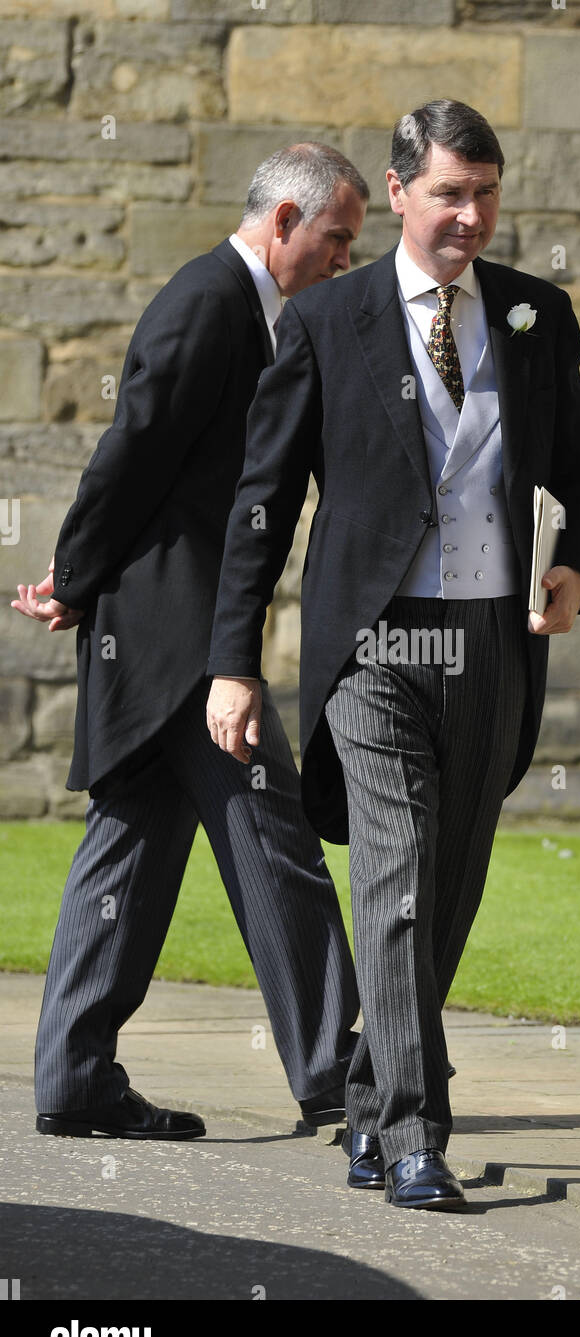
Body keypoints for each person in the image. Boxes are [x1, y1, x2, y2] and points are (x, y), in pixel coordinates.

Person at [206, 101, 580, 1207]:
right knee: (393, 881)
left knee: (452, 887)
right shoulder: (329, 321)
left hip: (492, 640)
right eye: (448, 192)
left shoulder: (535, 316)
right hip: (376, 643)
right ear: (397, 192)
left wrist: (577, 561)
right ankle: (418, 1131)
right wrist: (233, 659)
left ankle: (376, 1090)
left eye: (484, 192)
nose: (470, 215)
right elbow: (263, 500)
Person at [11, 144, 368, 1141]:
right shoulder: (209, 300)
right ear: (284, 223)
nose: (346, 258)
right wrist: (77, 577)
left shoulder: (249, 310)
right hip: (177, 641)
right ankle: (340, 1067)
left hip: (166, 633)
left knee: (130, 847)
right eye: (338, 237)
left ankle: (78, 1076)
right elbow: (132, 446)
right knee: (273, 836)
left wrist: (85, 585)